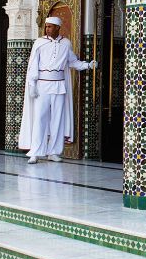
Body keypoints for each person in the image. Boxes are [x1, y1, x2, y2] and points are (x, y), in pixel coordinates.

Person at [18, 16, 97, 164]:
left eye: (50, 26)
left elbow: (72, 62)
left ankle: (53, 152)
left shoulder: (66, 43)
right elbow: (33, 64)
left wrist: (87, 65)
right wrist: (32, 85)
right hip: (42, 86)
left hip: (59, 86)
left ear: (58, 28)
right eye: (46, 26)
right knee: (39, 119)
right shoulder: (39, 43)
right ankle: (36, 152)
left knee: (57, 119)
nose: (47, 29)